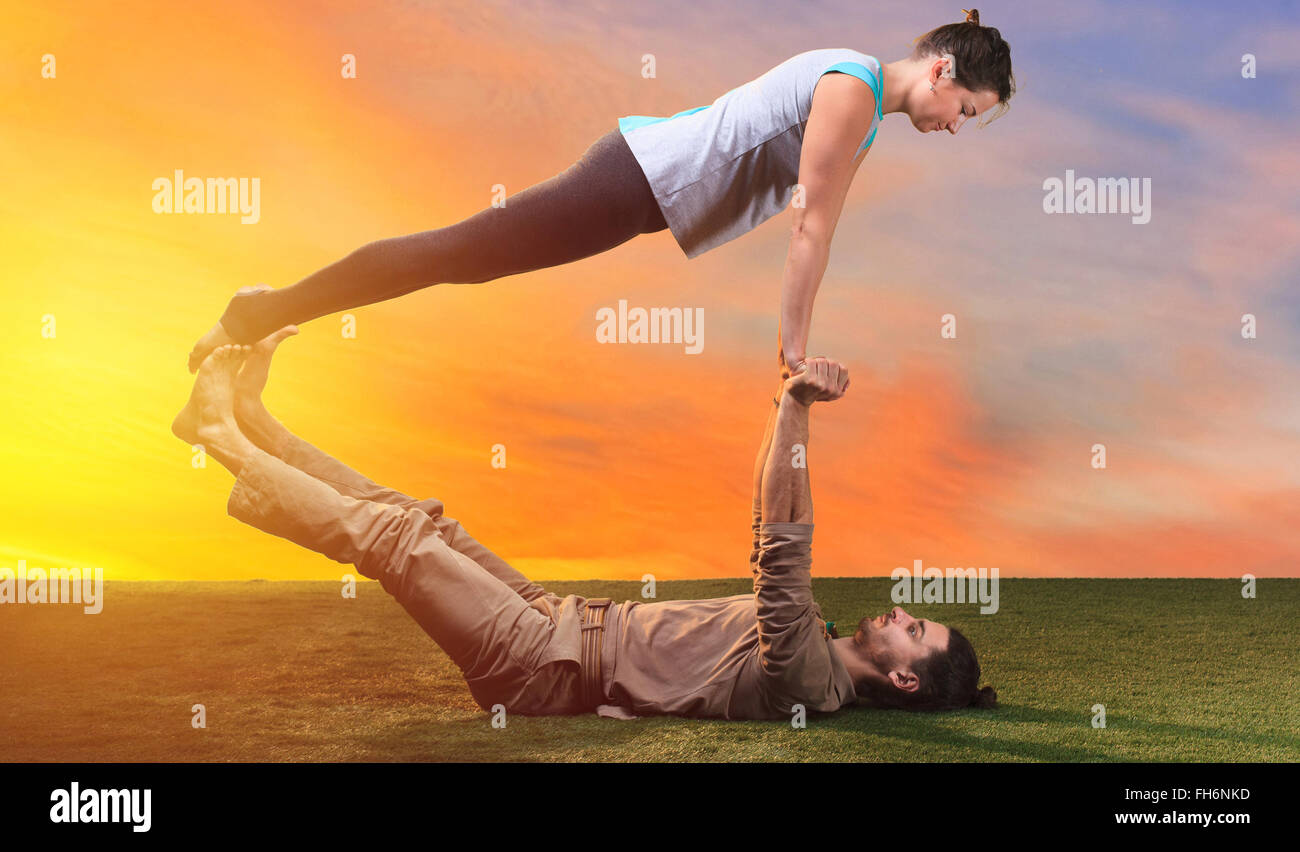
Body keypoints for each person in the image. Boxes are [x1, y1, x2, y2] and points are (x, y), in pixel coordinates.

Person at [171, 327, 997, 719]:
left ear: (904, 679)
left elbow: (780, 547)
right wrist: (783, 406)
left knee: (400, 544)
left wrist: (797, 410)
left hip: (545, 666)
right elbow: (767, 531)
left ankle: (220, 437)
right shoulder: (814, 642)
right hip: (557, 619)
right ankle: (256, 424)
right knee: (421, 521)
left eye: (913, 629)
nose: (900, 611)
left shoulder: (812, 684)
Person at [187, 9, 1014, 381]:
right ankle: (256, 312)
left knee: (465, 259)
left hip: (638, 186)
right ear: (944, 70)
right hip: (631, 178)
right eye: (967, 112)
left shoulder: (862, 114)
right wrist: (793, 352)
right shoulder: (852, 89)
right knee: (458, 253)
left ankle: (265, 309)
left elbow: (810, 222)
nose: (954, 127)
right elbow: (811, 230)